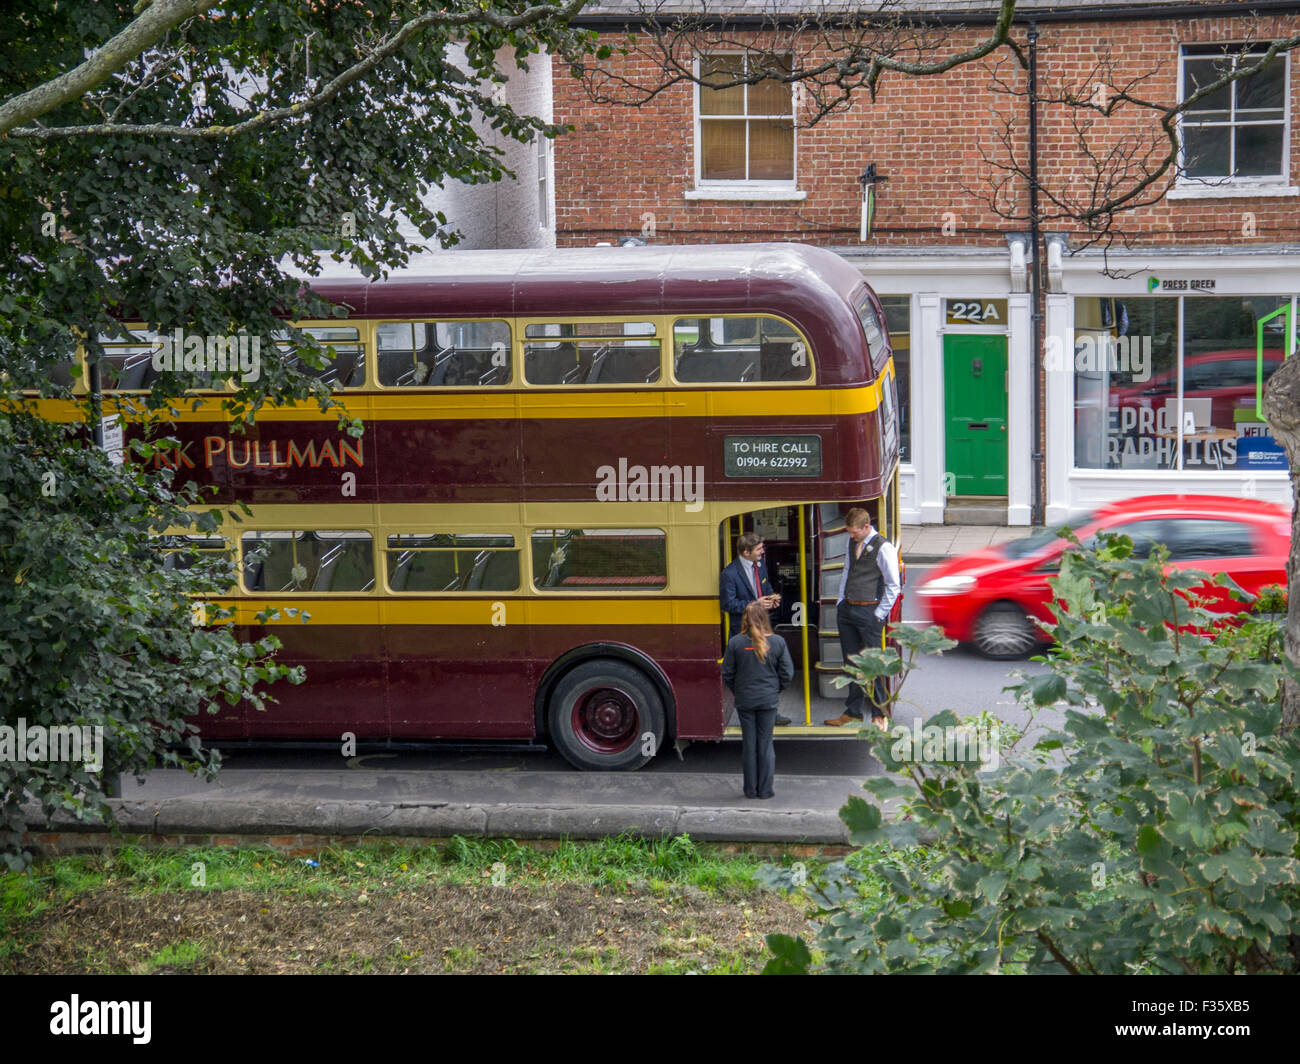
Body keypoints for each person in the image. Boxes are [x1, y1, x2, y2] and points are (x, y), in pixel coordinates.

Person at [824, 508, 901, 730]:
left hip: (869, 613)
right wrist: (841, 601)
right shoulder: (852, 542)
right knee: (850, 663)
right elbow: (847, 570)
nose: (851, 536)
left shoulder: (883, 547)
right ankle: (853, 713)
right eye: (849, 532)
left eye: (854, 532)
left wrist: (878, 614)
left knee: (872, 665)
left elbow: (893, 585)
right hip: (848, 610)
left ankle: (879, 714)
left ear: (866, 527)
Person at [722, 601, 793, 799]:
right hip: (768, 701)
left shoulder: (735, 642)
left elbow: (727, 673)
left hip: (745, 700)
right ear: (765, 618)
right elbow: (788, 673)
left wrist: (739, 690)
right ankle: (765, 790)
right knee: (765, 744)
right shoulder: (778, 642)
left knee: (749, 745)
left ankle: (750, 790)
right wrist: (775, 690)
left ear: (744, 619)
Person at [720, 533, 791, 725]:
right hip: (743, 630)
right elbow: (728, 605)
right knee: (747, 673)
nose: (763, 552)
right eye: (759, 549)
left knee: (768, 670)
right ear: (746, 552)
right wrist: (755, 603)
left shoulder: (760, 565)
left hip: (764, 626)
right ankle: (747, 712)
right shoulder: (729, 574)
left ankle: (771, 712)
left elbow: (765, 590)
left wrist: (771, 599)